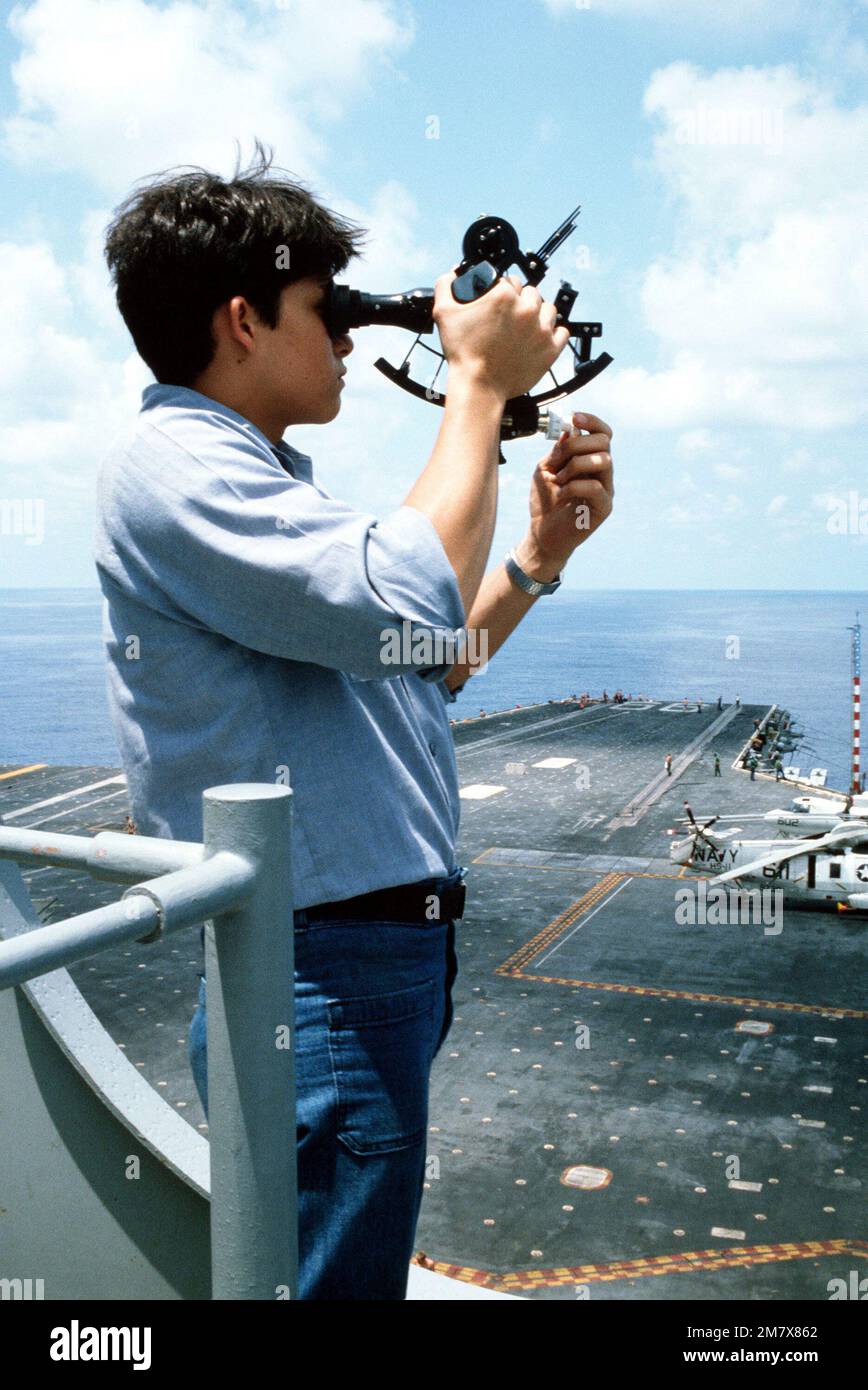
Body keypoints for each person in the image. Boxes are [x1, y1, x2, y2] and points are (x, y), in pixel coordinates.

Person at [94, 142, 615, 1300]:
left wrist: (536, 555)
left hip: (368, 962)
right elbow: (397, 595)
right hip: (319, 969)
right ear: (241, 319)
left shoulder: (259, 476)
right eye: (325, 311)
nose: (349, 335)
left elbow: (421, 661)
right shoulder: (171, 461)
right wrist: (476, 391)